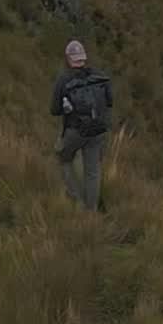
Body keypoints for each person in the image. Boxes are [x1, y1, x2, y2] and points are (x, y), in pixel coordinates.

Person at [50, 39, 117, 212]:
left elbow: (54, 110)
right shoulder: (99, 75)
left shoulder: (63, 79)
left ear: (68, 58)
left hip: (76, 130)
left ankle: (76, 200)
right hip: (98, 130)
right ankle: (91, 211)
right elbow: (110, 101)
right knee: (93, 172)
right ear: (83, 57)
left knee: (63, 158)